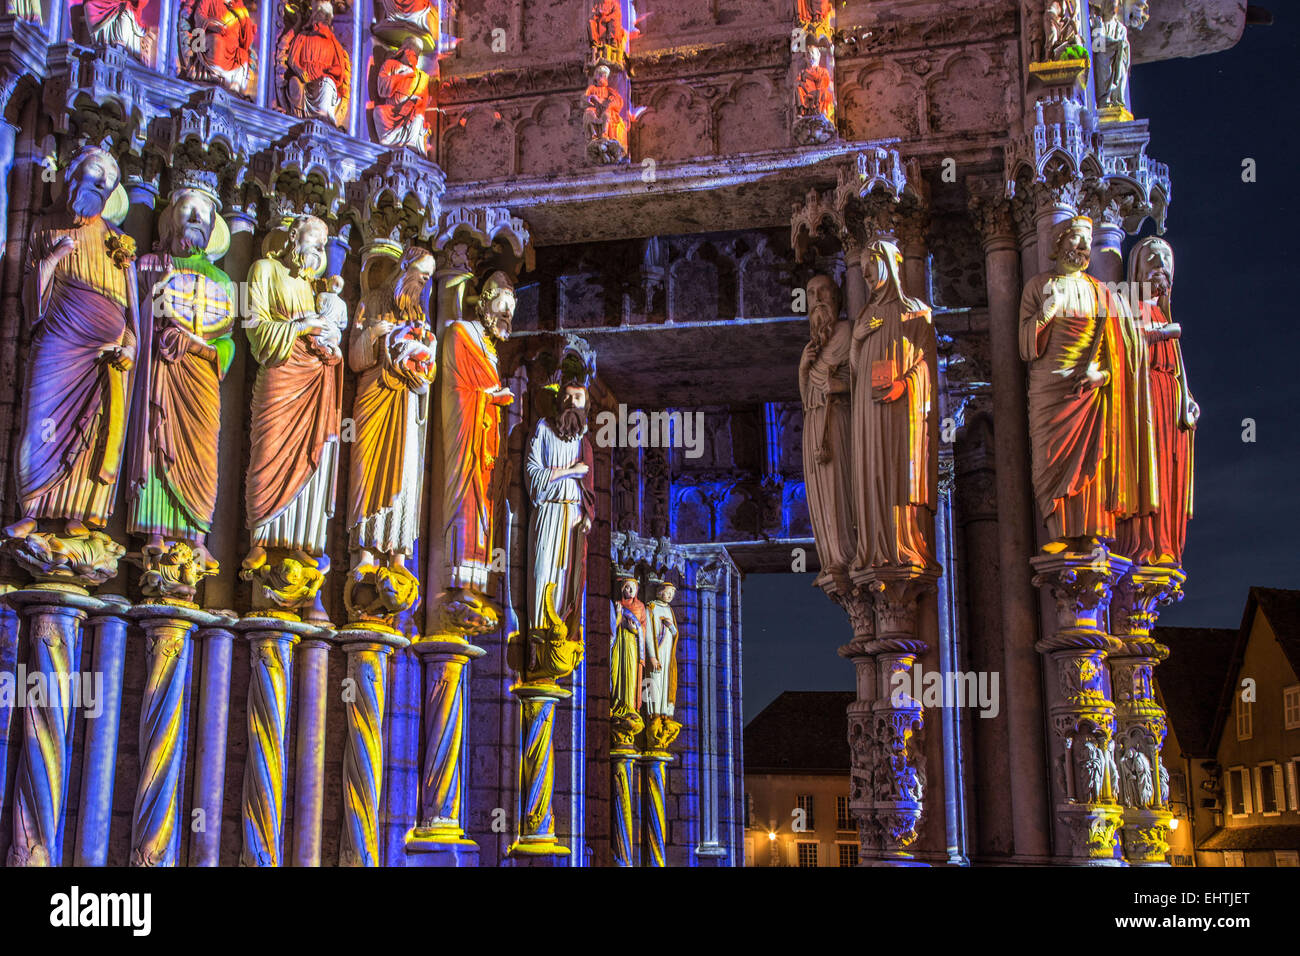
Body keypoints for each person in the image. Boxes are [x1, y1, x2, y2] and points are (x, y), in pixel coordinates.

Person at [8, 143, 139, 541]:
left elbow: (131, 312)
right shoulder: (47, 229)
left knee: (91, 434)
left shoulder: (120, 244)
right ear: (71, 175)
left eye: (106, 184)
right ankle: (31, 507)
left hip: (104, 357)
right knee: (41, 422)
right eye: (93, 176)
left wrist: (130, 346)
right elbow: (30, 300)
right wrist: (52, 259)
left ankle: (77, 512)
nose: (98, 186)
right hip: (59, 343)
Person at [1019, 216, 1150, 548]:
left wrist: (1100, 376)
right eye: (1075, 240)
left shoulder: (1101, 293)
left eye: (1086, 244)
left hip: (1088, 393)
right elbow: (1024, 346)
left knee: (1092, 461)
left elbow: (1121, 355)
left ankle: (1092, 534)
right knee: (1050, 459)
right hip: (1050, 386)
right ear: (1059, 243)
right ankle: (1059, 530)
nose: (1081, 248)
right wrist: (1047, 311)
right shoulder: (1038, 286)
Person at [127, 181, 235, 572]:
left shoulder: (223, 282)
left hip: (200, 377)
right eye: (188, 210)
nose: (194, 219)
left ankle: (196, 537)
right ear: (170, 219)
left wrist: (200, 345)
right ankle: (154, 535)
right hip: (163, 368)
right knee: (158, 439)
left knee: (202, 453)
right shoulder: (151, 266)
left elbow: (227, 344)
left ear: (212, 229)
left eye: (203, 215)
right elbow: (132, 315)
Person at [243, 215, 343, 572]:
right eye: (313, 242)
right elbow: (252, 323)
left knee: (307, 455)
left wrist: (330, 346)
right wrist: (302, 327)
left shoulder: (312, 289)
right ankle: (260, 536)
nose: (318, 252)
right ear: (292, 238)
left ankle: (298, 539)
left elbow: (322, 331)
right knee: (269, 448)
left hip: (312, 379)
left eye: (322, 247)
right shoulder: (264, 270)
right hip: (279, 374)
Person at [850, 239, 938, 571]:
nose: (868, 275)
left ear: (889, 262)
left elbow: (926, 364)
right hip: (870, 412)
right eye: (863, 272)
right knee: (873, 470)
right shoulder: (865, 316)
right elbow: (856, 372)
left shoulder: (916, 311)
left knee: (899, 470)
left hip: (903, 411)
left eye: (872, 266)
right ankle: (876, 547)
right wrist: (858, 338)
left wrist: (904, 384)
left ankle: (907, 544)